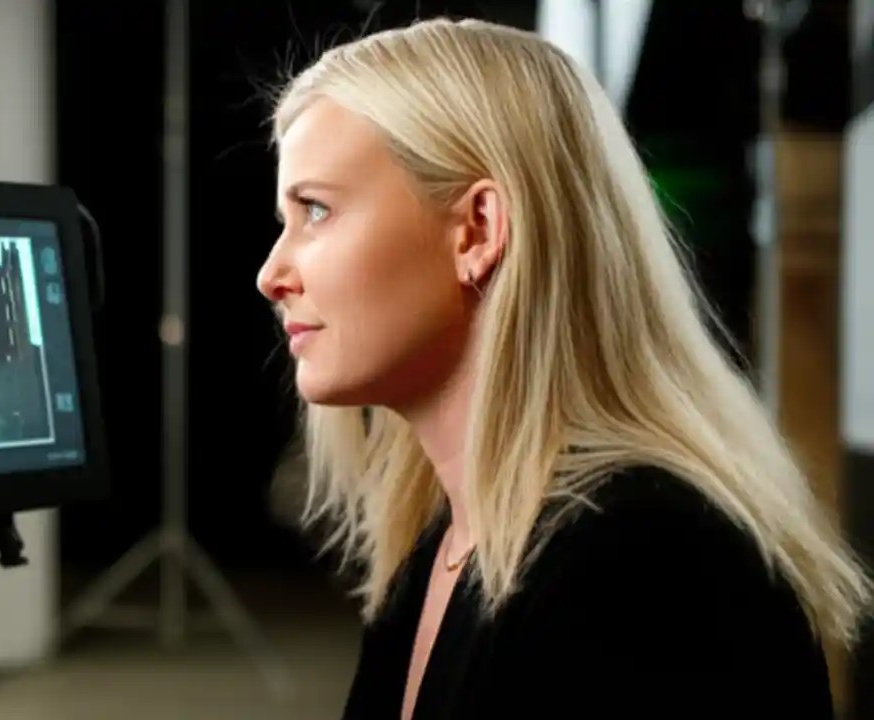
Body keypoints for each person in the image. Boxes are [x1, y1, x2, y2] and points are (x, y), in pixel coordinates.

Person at [256, 17, 873, 720]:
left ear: (479, 230)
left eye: (316, 210)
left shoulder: (645, 568)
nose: (271, 273)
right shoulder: (446, 540)